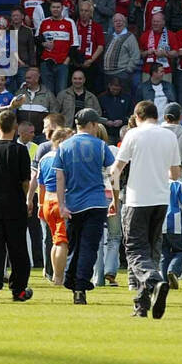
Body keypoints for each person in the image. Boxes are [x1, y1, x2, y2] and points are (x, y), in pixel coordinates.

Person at [111, 100, 182, 317]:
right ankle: (142, 304)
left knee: (134, 249)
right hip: (161, 199)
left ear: (137, 115)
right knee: (151, 250)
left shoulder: (133, 134)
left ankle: (154, 281)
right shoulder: (170, 136)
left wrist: (114, 198)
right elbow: (175, 174)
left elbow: (116, 170)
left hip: (137, 199)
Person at [54, 109, 116, 307]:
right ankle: (80, 285)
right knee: (89, 246)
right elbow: (112, 174)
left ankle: (72, 279)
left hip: (72, 204)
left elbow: (60, 177)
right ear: (92, 125)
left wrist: (61, 204)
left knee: (75, 245)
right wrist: (115, 199)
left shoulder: (64, 146)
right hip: (96, 202)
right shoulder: (100, 146)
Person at [0, 109, 34, 303]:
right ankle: (18, 289)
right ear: (16, 127)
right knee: (18, 250)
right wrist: (28, 200)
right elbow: (25, 181)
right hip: (14, 206)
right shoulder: (20, 150)